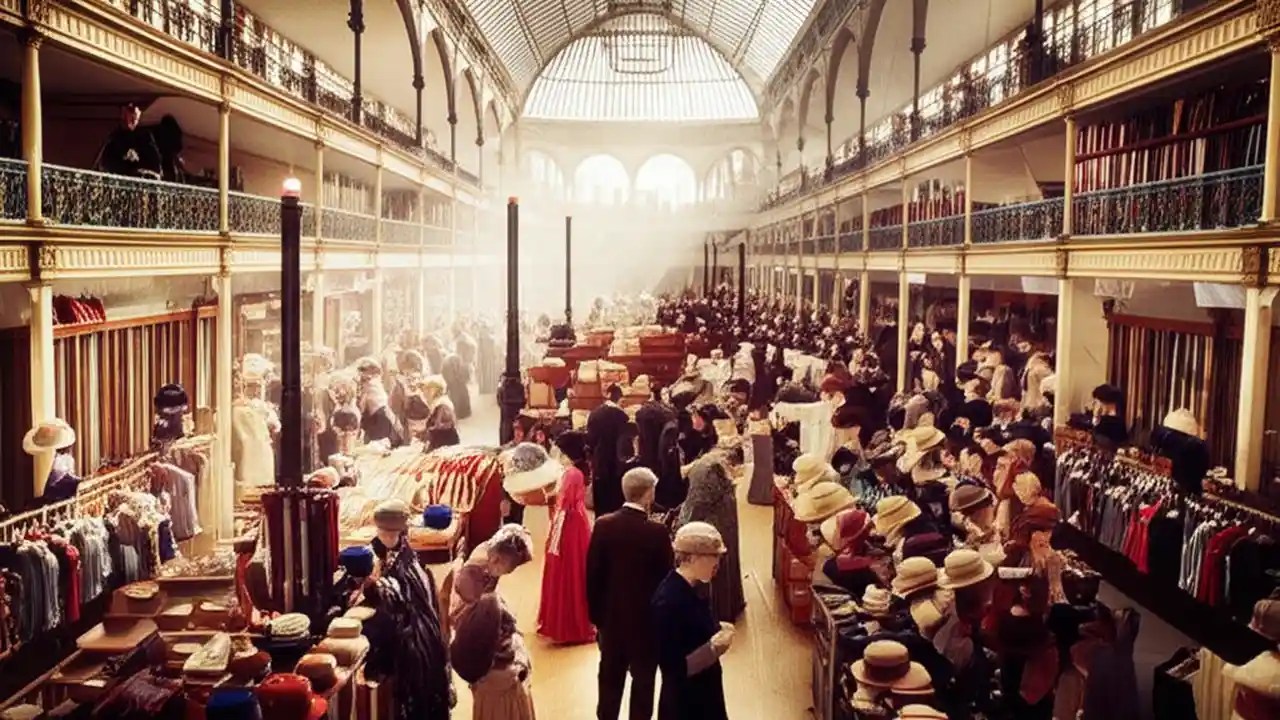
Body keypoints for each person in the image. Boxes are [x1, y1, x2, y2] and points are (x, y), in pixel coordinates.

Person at [587, 468, 674, 720]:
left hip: (611, 622)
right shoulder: (657, 533)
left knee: (609, 683)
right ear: (648, 494)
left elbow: (593, 575)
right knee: (643, 684)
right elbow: (665, 582)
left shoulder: (603, 525)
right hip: (645, 625)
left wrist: (598, 619)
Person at [449, 524, 537, 720]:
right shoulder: (475, 582)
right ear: (497, 560)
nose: (505, 574)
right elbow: (476, 620)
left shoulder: (488, 553)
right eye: (506, 569)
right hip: (485, 659)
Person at [652, 522, 734, 720]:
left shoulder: (691, 589)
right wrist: (713, 648)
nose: (717, 564)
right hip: (686, 706)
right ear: (694, 558)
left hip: (703, 696)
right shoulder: (668, 601)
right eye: (714, 557)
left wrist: (716, 630)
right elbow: (673, 668)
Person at [537, 431, 595, 645]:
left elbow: (564, 503)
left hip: (568, 525)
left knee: (566, 570)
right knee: (575, 570)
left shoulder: (571, 474)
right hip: (574, 522)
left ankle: (567, 625)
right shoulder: (576, 472)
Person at [676, 453, 746, 622]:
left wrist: (681, 523)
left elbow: (695, 507)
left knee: (711, 573)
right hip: (722, 529)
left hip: (709, 534)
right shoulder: (719, 483)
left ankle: (714, 613)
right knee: (724, 569)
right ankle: (728, 607)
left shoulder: (704, 476)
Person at [586, 384, 629, 515]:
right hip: (617, 466)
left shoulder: (594, 414)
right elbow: (625, 445)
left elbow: (590, 441)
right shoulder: (622, 417)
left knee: (601, 506)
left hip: (599, 464)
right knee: (615, 504)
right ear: (619, 398)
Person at [94, 101, 162, 178]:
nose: (133, 117)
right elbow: (107, 164)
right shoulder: (114, 138)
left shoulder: (145, 137)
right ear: (123, 114)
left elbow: (155, 164)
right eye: (130, 110)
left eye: (136, 112)